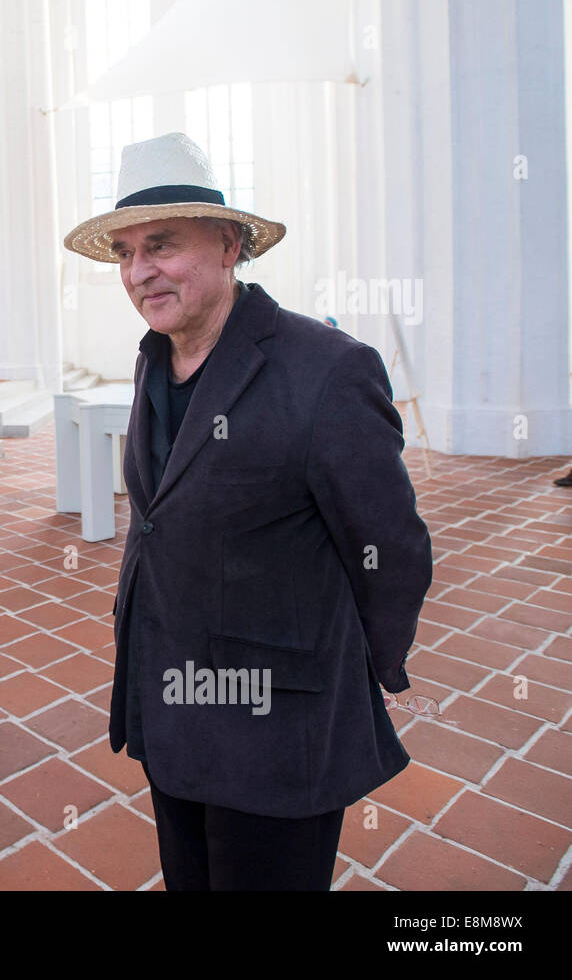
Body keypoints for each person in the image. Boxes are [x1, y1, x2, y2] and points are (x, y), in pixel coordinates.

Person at [62, 132, 433, 891]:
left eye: (160, 244)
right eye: (126, 251)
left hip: (278, 733)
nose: (139, 271)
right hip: (169, 707)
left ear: (229, 244)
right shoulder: (153, 360)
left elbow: (390, 549)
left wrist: (345, 674)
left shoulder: (326, 370)